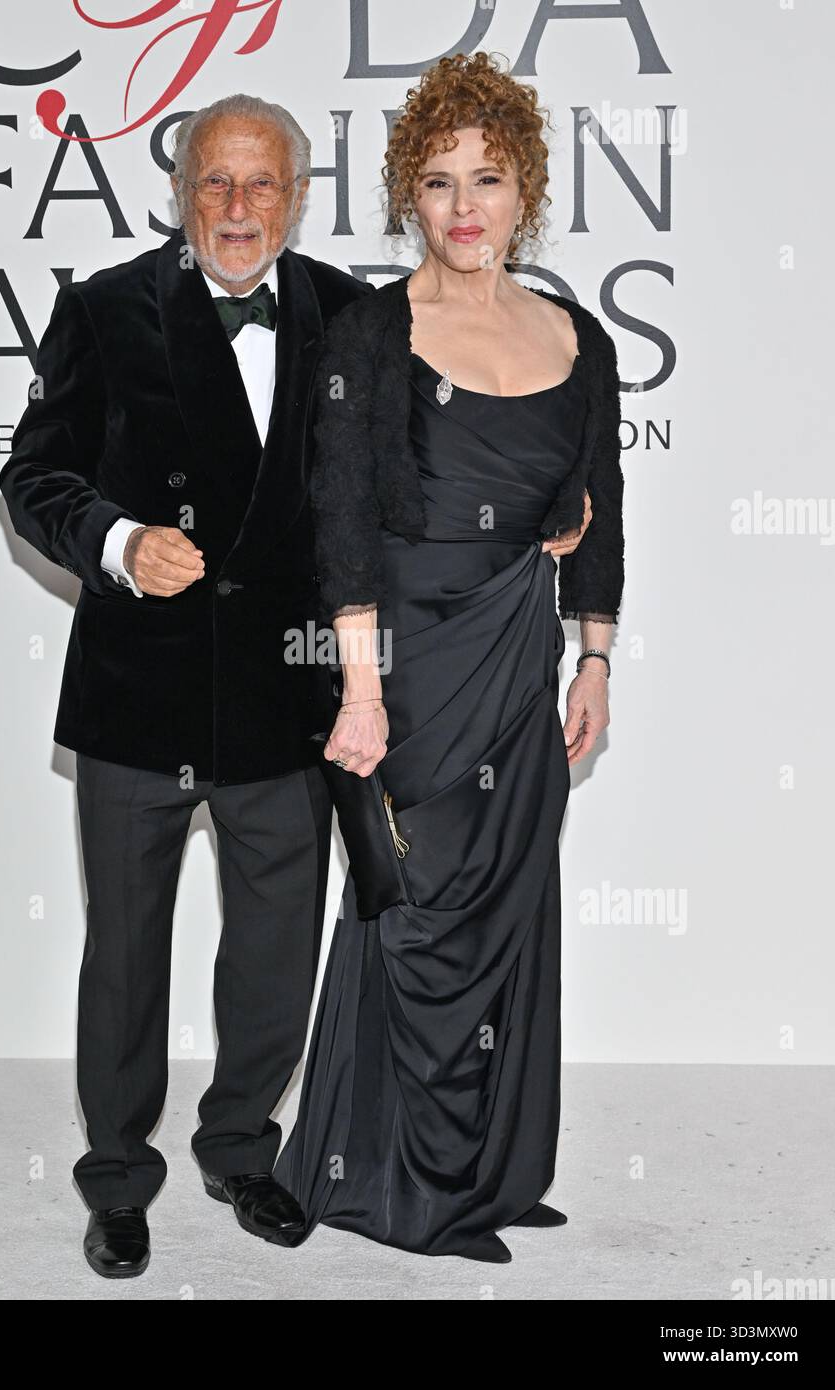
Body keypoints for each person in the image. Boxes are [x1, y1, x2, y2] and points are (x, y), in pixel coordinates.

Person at [0, 94, 378, 1278]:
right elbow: (32, 474)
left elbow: (402, 490)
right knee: (126, 952)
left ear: (300, 198)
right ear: (180, 192)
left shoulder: (354, 317)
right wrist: (114, 541)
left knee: (276, 947)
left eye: (262, 185)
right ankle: (116, 1177)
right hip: (135, 696)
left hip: (284, 699)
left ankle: (241, 1145)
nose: (237, 207)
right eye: (215, 181)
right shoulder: (103, 308)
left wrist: (550, 514)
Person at [273, 52, 624, 1263]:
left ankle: (494, 1168)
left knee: (512, 902)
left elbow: (599, 507)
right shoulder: (372, 331)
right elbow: (344, 527)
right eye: (437, 182)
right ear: (404, 198)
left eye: (488, 177)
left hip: (524, 654)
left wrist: (594, 657)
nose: (464, 205)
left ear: (526, 187)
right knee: (421, 907)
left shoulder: (576, 334)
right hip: (412, 662)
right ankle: (405, 1180)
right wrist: (360, 692)